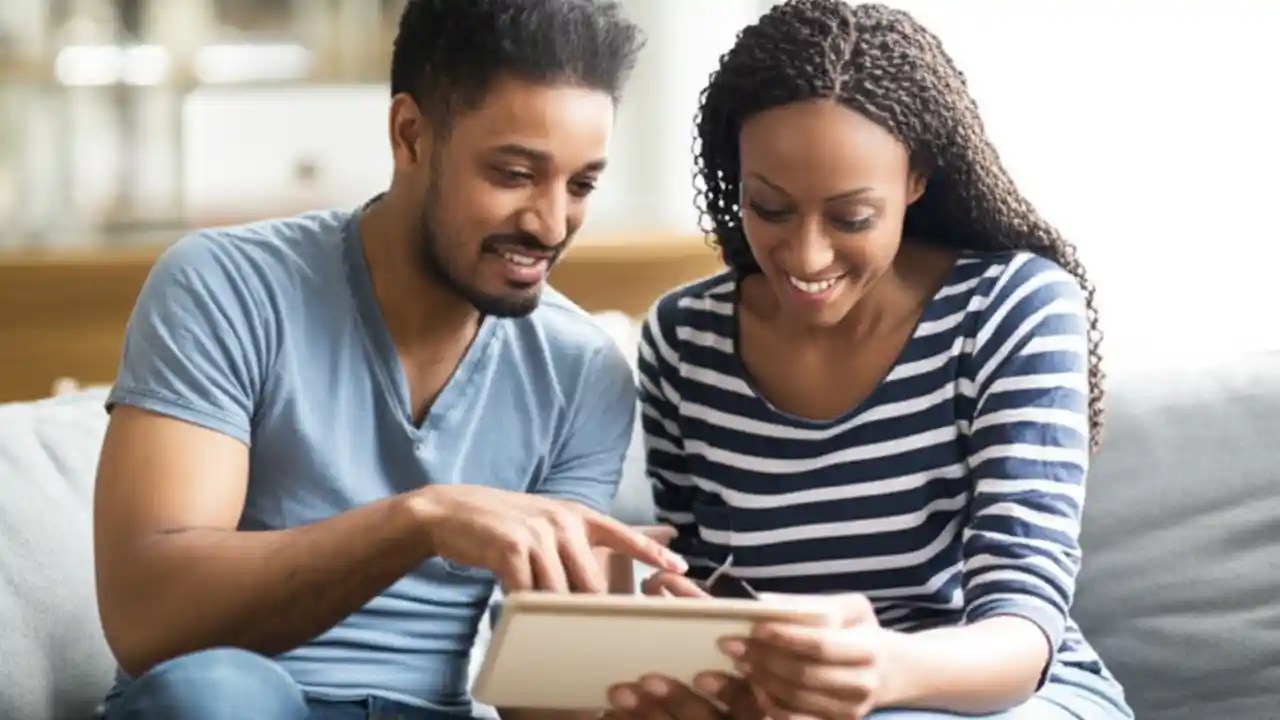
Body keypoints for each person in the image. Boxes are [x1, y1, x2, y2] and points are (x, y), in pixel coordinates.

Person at [90, 1, 687, 718]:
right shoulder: (225, 286)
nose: (552, 223)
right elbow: (147, 619)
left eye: (582, 184)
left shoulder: (582, 369)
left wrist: (628, 652)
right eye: (513, 174)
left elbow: (542, 704)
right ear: (410, 134)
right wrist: (420, 521)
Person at [606, 1, 1135, 719]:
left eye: (852, 218)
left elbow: (1023, 633)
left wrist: (881, 672)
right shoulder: (683, 340)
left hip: (1001, 701)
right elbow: (711, 594)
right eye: (769, 208)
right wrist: (689, 636)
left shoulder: (1012, 307)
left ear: (916, 178)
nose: (807, 255)